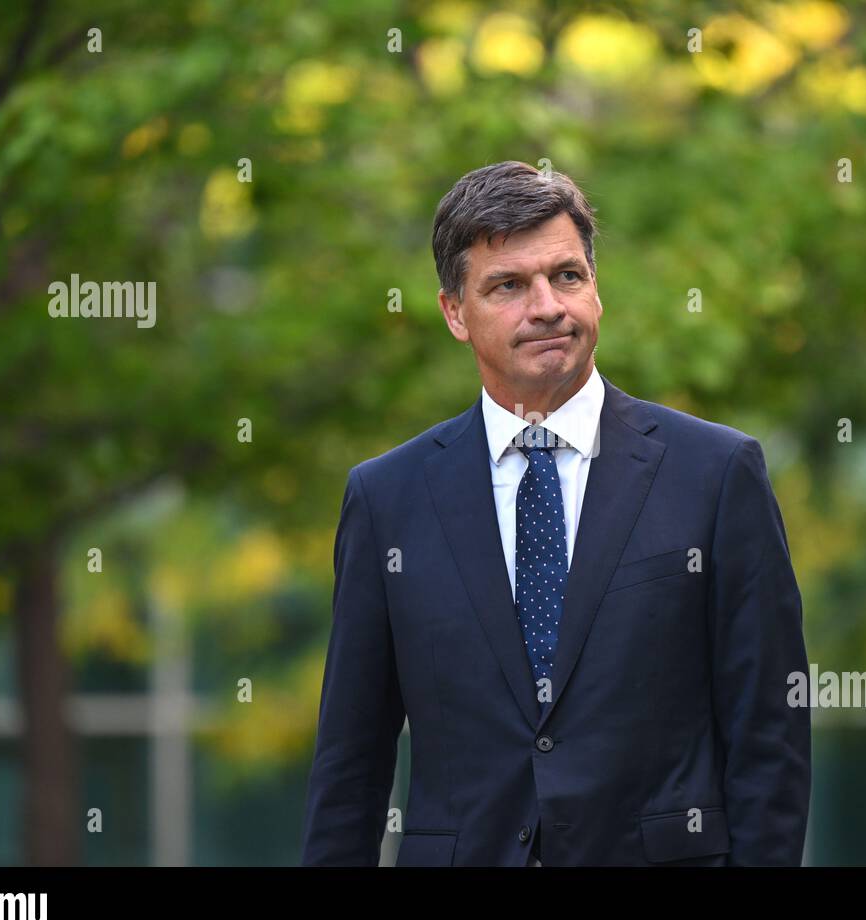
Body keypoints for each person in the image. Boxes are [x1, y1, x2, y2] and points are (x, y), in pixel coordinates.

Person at [300, 160, 810, 866]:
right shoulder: (387, 500)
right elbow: (350, 766)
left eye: (566, 276)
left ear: (596, 289)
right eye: (508, 285)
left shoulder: (717, 475)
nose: (547, 306)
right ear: (454, 312)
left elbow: (770, 737)